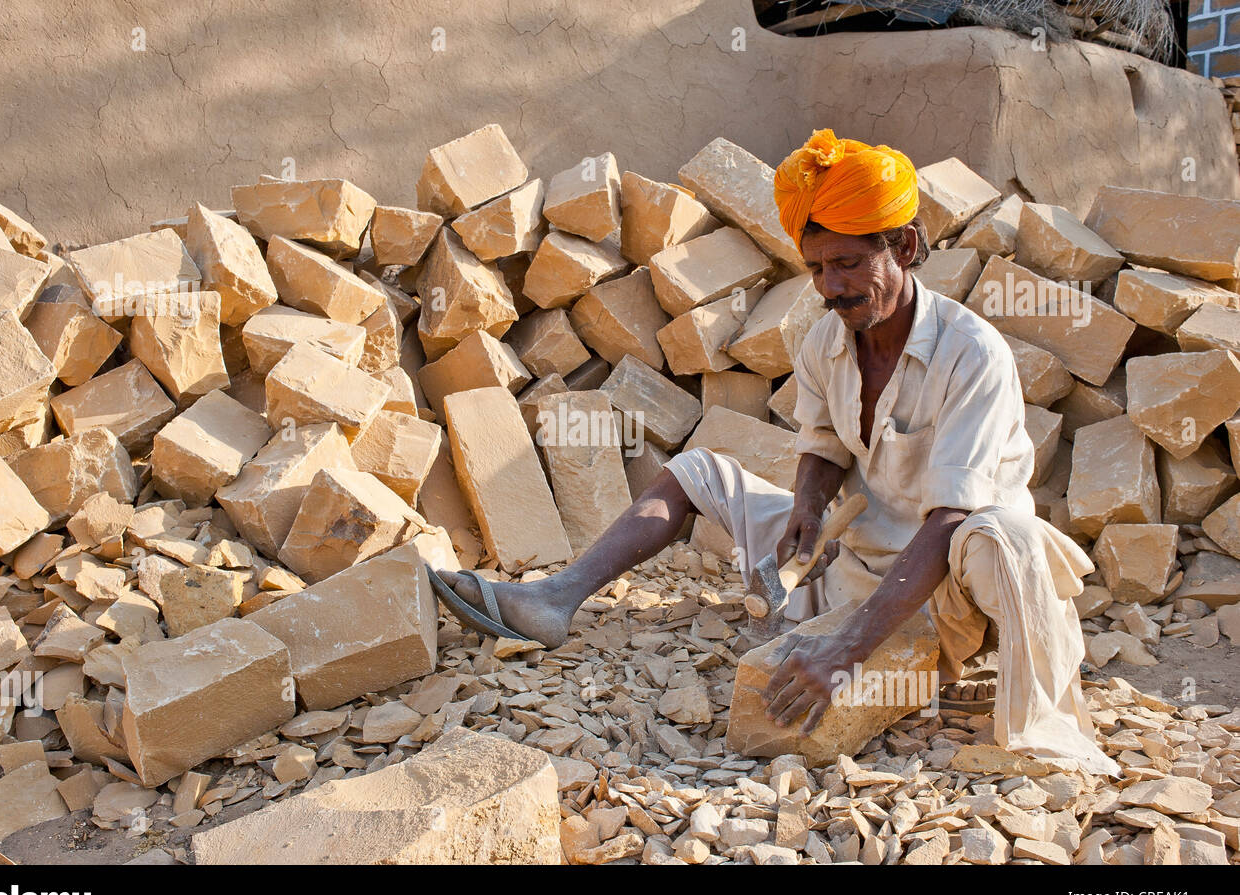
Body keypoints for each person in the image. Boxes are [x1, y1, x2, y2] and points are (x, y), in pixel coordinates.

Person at [432, 128, 1120, 776]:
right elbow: (823, 444)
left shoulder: (972, 354)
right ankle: (553, 599)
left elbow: (946, 523)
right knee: (700, 470)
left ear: (906, 247)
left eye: (849, 263)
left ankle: (1044, 729)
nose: (831, 286)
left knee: (1004, 533)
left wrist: (844, 655)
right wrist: (809, 506)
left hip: (951, 589)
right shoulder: (826, 338)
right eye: (816, 267)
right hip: (855, 564)